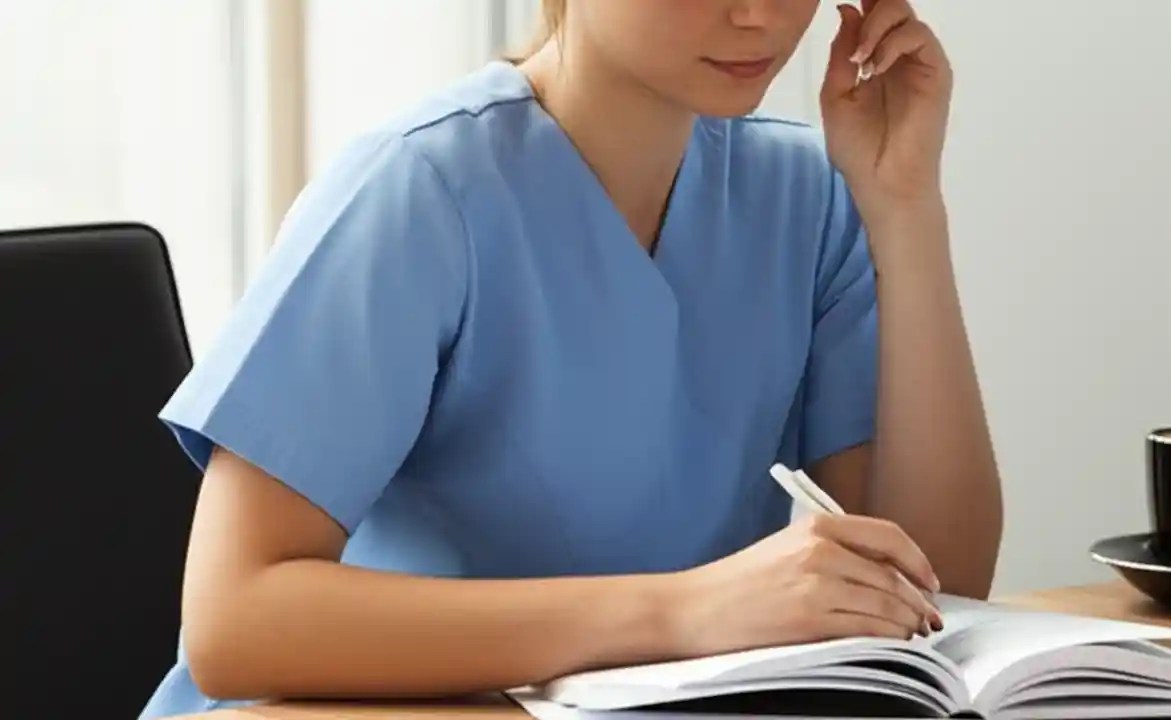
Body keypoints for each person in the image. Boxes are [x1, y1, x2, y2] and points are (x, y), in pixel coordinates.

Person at [139, 0, 1002, 717]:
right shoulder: (418, 189)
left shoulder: (808, 196)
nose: (759, 14)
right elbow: (235, 622)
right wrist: (684, 611)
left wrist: (905, 208)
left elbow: (935, 586)